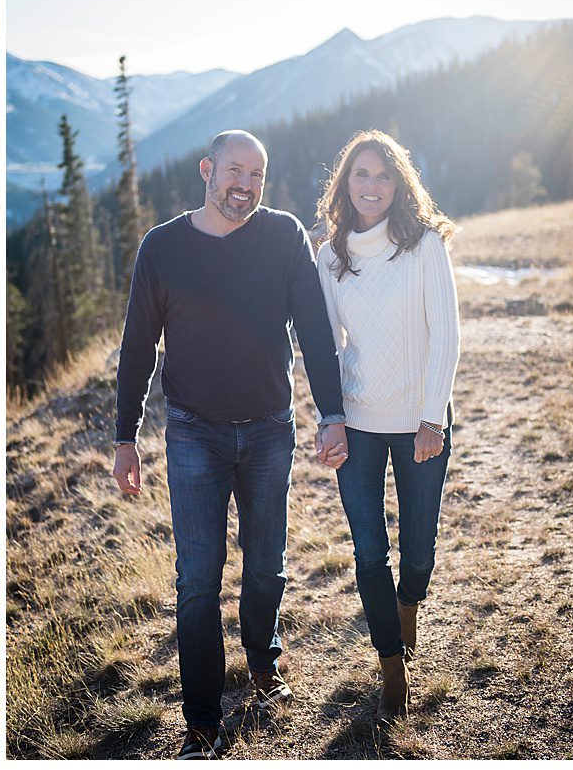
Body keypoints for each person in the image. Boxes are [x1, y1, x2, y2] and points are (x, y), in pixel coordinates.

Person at [112, 130, 348, 760]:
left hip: (271, 429)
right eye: (234, 171)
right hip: (193, 434)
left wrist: (332, 412)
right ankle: (202, 718)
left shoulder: (283, 235)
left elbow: (315, 329)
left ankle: (265, 665)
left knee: (266, 563)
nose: (245, 185)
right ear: (206, 170)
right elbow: (138, 346)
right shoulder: (162, 248)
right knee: (197, 581)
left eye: (257, 175)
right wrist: (125, 437)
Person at [315, 130, 459, 723]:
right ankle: (391, 667)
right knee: (369, 549)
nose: (370, 186)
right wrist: (332, 419)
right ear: (345, 185)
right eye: (359, 175)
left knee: (417, 551)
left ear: (398, 183)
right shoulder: (330, 255)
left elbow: (446, 334)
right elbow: (325, 347)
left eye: (381, 175)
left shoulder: (424, 246)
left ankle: (410, 602)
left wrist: (432, 415)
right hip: (361, 421)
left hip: (421, 420)